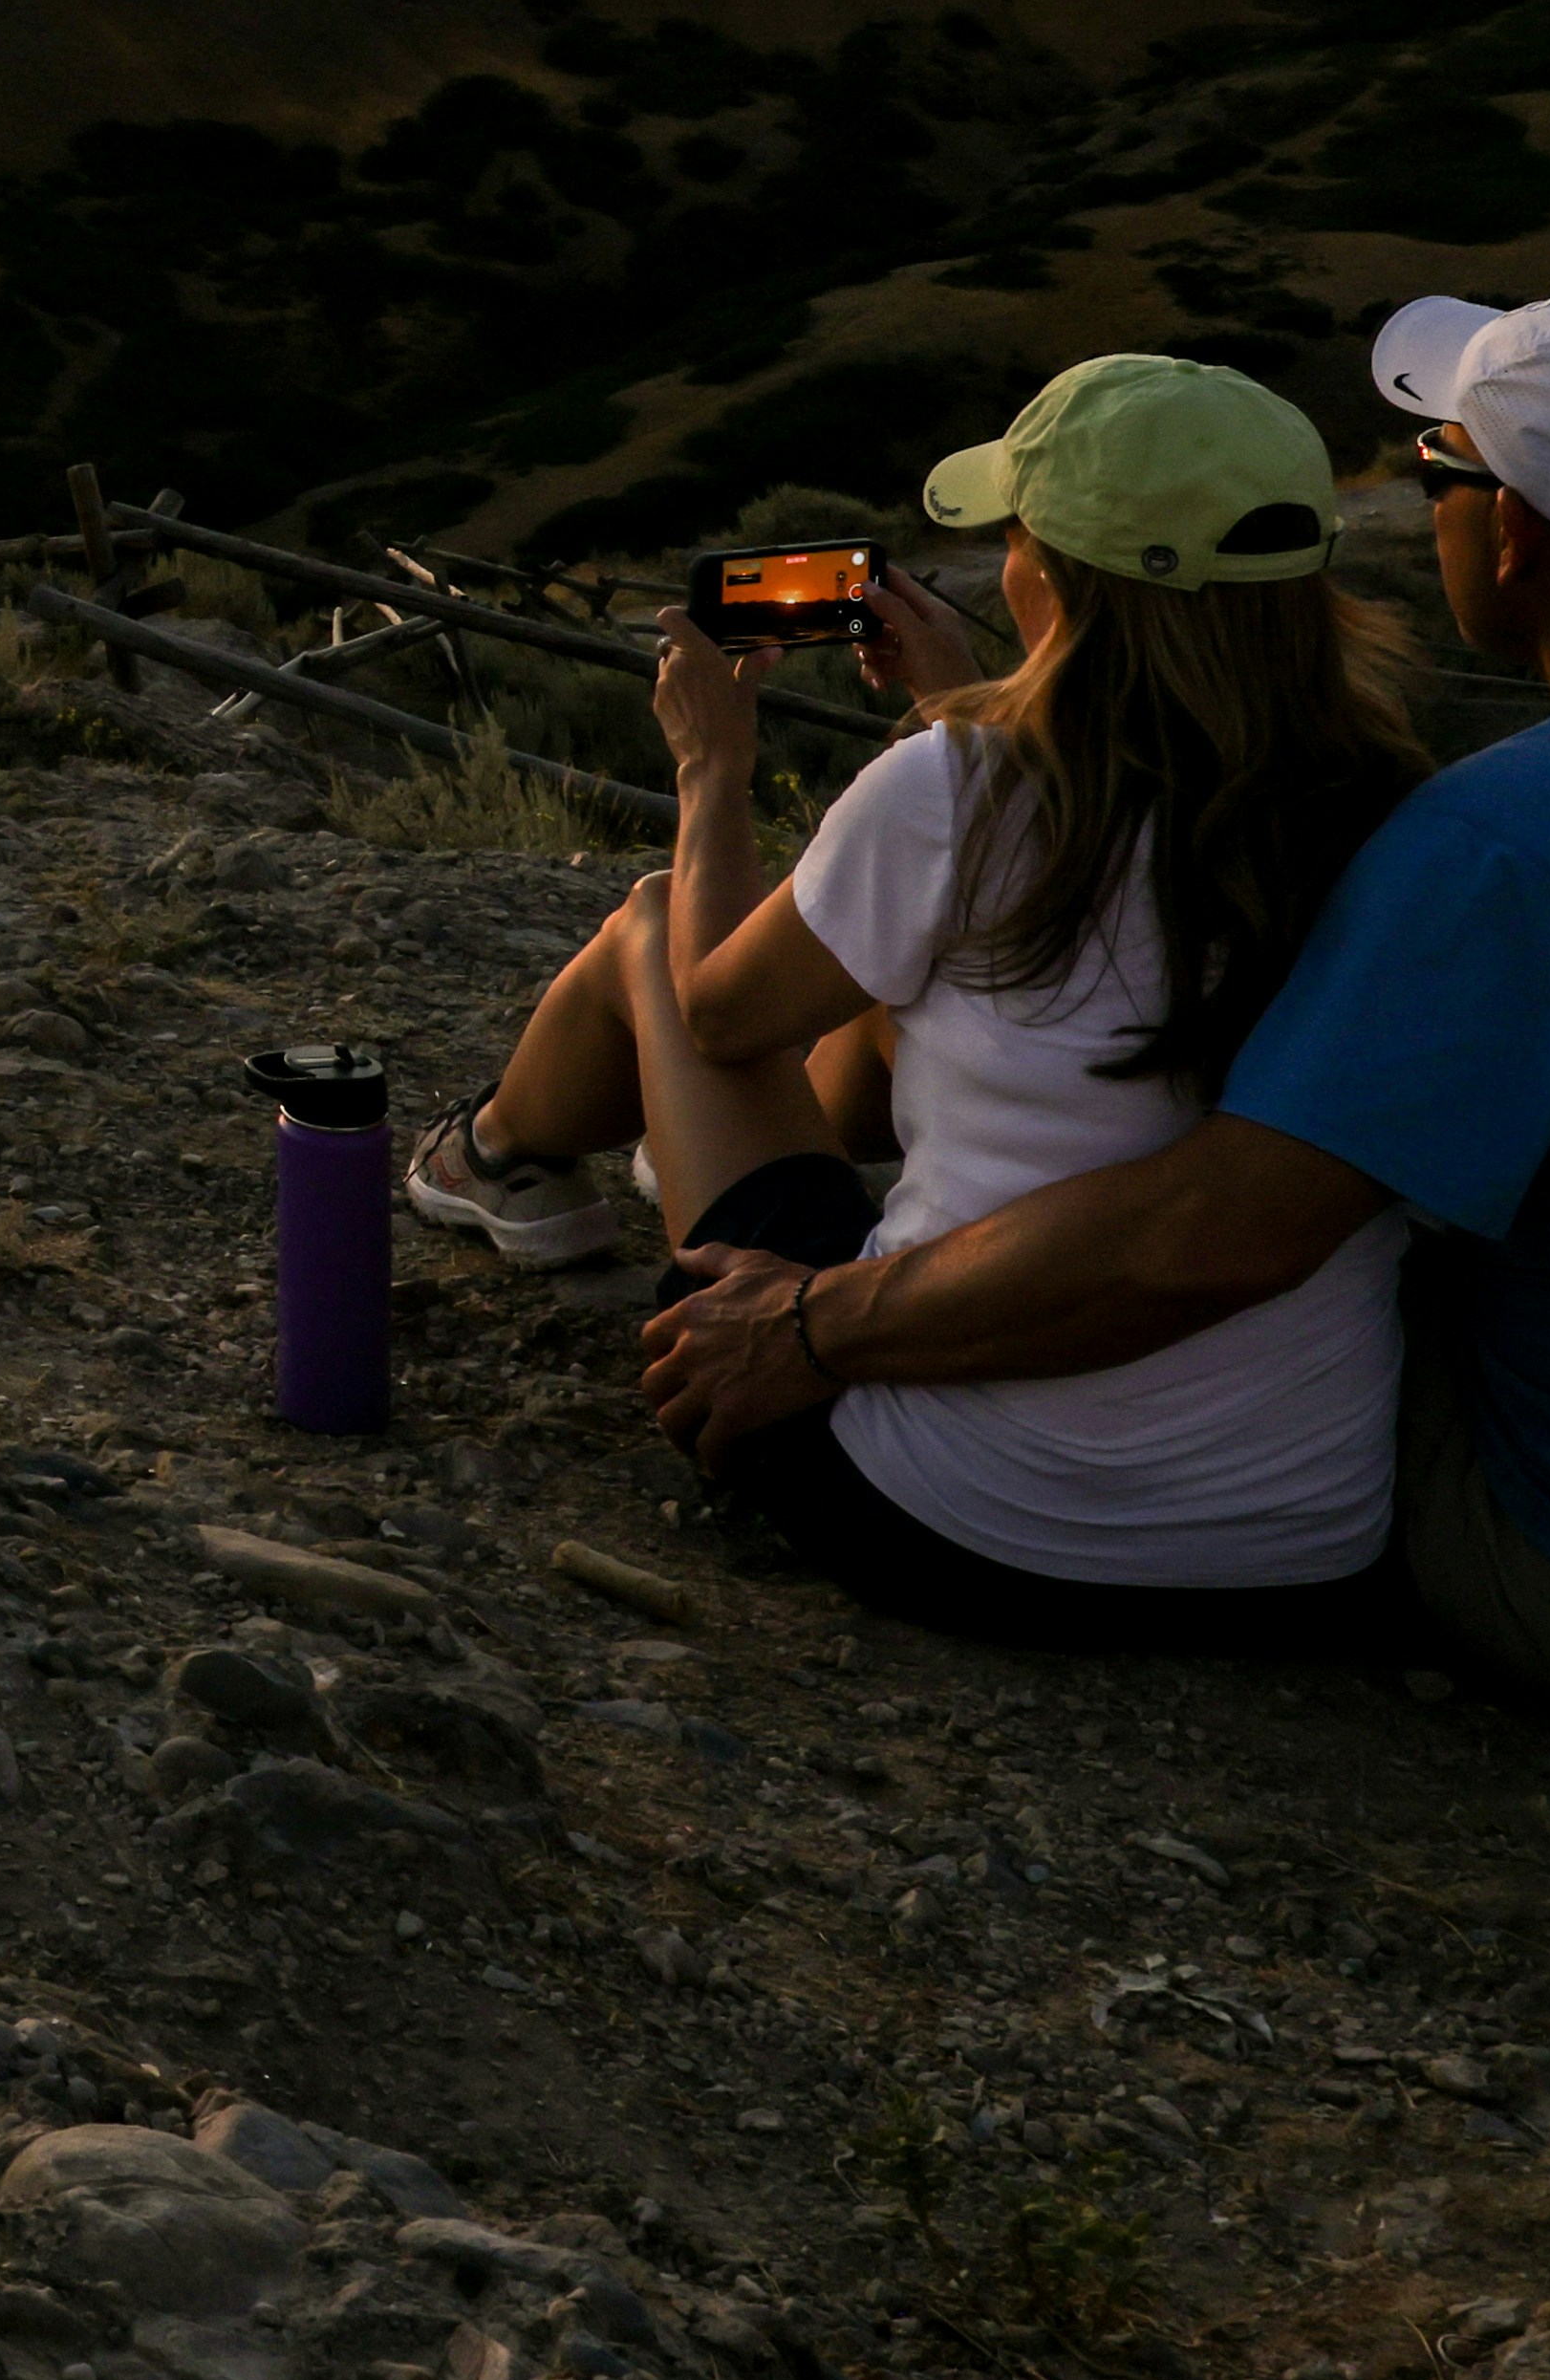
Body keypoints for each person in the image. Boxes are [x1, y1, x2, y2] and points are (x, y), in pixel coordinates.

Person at [644, 287, 1550, 1747]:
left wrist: (808, 1320)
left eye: (1437, 463)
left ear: (1507, 529)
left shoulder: (1513, 834)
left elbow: (1216, 1239)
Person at [403, 357, 1423, 1654]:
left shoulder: (964, 789)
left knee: (657, 922)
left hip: (961, 1516)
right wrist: (955, 705)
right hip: (1297, 1543)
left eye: (1016, 535)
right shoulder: (1394, 807)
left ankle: (495, 1152)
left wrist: (713, 766)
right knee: (914, 992)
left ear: (1054, 575)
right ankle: (565, 1154)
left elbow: (720, 1014)